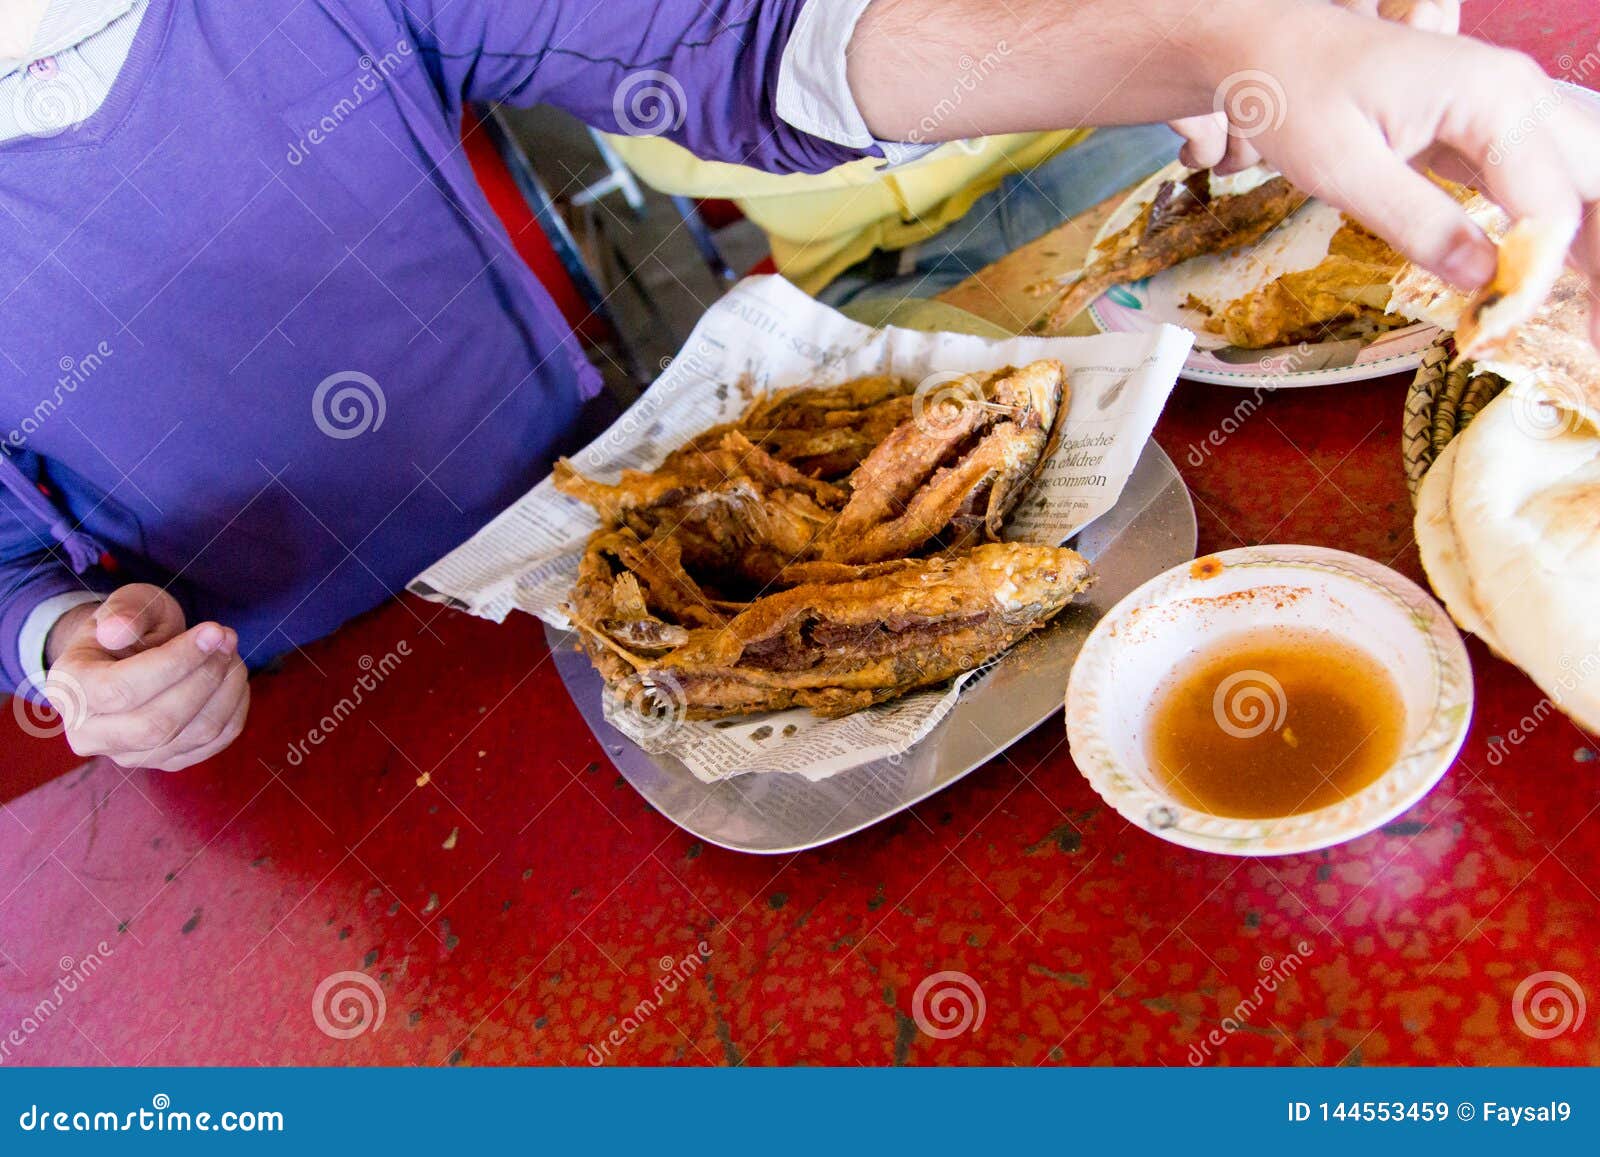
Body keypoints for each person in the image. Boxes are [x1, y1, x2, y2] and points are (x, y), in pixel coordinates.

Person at [1, 0, 1596, 772]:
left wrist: (1224, 37)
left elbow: (744, 43)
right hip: (270, 715)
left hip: (575, 554)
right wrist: (59, 642)